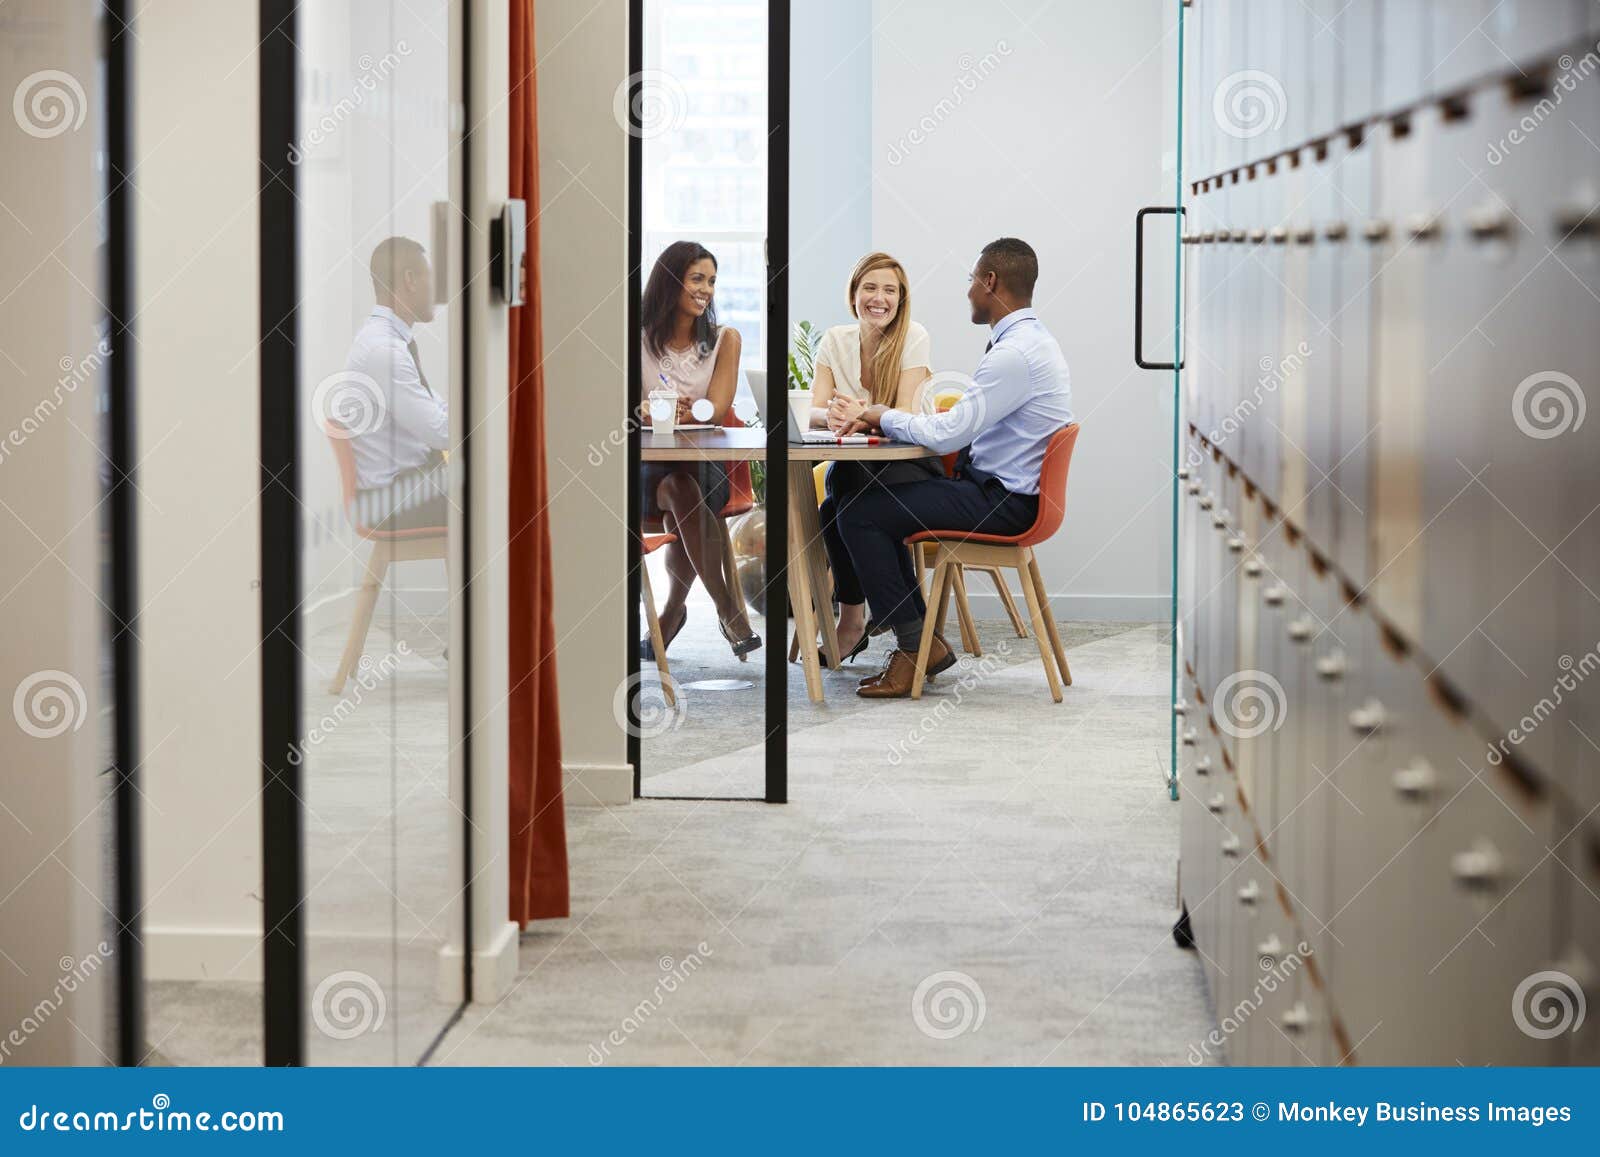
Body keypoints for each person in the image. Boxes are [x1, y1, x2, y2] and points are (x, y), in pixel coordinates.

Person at [825, 237, 1074, 699]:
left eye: (971, 280)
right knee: (856, 490)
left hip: (1004, 502)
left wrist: (878, 414)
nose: (968, 292)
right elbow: (962, 427)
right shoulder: (1027, 341)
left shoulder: (1014, 354)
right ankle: (919, 645)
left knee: (861, 513)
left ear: (990, 282)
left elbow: (949, 435)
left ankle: (914, 648)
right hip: (999, 490)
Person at [810, 252, 938, 666]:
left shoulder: (913, 336)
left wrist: (858, 416)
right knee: (835, 502)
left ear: (901, 299)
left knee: (841, 495)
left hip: (912, 468)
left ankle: (856, 622)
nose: (878, 298)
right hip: (859, 468)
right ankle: (910, 632)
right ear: (853, 294)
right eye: (870, 287)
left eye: (889, 290)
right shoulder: (835, 340)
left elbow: (905, 414)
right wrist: (838, 415)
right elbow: (812, 411)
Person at [640, 240, 761, 659]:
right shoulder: (634, 336)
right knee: (676, 487)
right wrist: (640, 408)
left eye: (711, 281)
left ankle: (676, 612)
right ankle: (728, 610)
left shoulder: (725, 338)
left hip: (705, 468)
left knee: (684, 488)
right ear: (670, 281)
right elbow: (620, 404)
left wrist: (689, 412)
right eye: (696, 278)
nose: (705, 289)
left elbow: (720, 406)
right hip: (645, 472)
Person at [342, 236, 450, 531]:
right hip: (392, 502)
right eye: (432, 279)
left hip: (403, 491)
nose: (438, 291)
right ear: (410, 280)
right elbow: (440, 433)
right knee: (499, 495)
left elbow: (436, 412)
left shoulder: (388, 342)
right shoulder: (385, 351)